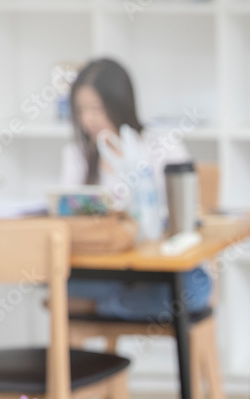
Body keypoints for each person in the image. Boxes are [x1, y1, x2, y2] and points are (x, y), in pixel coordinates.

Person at [62, 57, 210, 320]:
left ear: (119, 103)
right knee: (56, 279)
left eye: (96, 109)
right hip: (101, 266)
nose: (88, 119)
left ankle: (101, 307)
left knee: (195, 288)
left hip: (156, 266)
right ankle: (126, 302)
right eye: (81, 110)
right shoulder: (76, 156)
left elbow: (187, 219)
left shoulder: (161, 146)